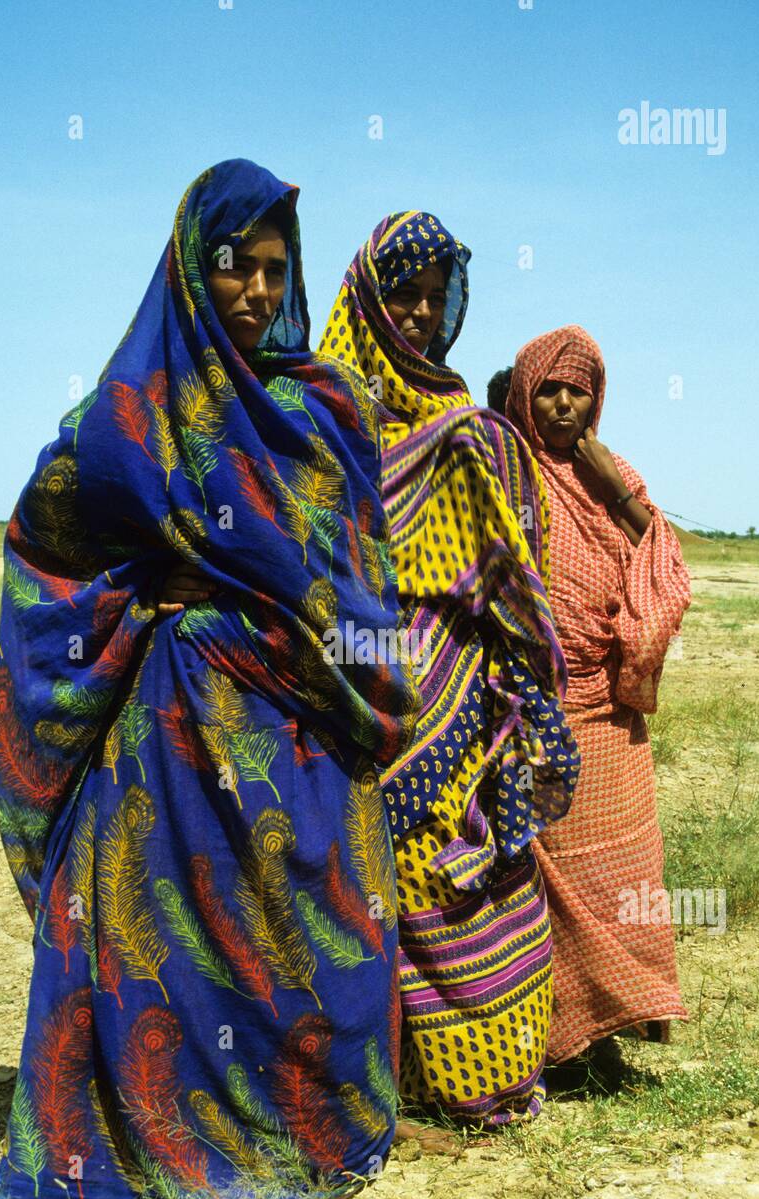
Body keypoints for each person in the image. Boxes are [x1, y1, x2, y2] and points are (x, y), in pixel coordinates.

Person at [0, 159, 420, 1199]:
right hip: (168, 755)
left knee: (304, 941)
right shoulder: (130, 417)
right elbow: (43, 544)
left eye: (278, 270)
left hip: (301, 736)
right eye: (237, 266)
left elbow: (364, 595)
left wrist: (273, 608)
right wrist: (147, 588)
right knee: (158, 946)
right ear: (192, 266)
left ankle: (304, 1133)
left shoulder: (321, 411)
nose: (260, 291)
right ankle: (161, 1149)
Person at [318, 214, 579, 1129]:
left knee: (469, 858)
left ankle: (488, 1074)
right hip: (359, 675)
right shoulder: (324, 410)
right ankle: (390, 1075)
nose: (423, 315)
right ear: (369, 297)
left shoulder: (458, 413)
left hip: (461, 679)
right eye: (405, 295)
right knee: (384, 871)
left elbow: (513, 553)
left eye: (437, 298)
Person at [497, 325, 691, 1063]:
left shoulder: (619, 476)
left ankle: (617, 1022)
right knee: (545, 873)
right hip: (535, 709)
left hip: (609, 714)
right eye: (548, 387)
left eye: (578, 388)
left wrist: (614, 491)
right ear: (523, 392)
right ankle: (556, 1041)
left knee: (621, 871)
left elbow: (664, 565)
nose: (562, 403)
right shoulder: (504, 473)